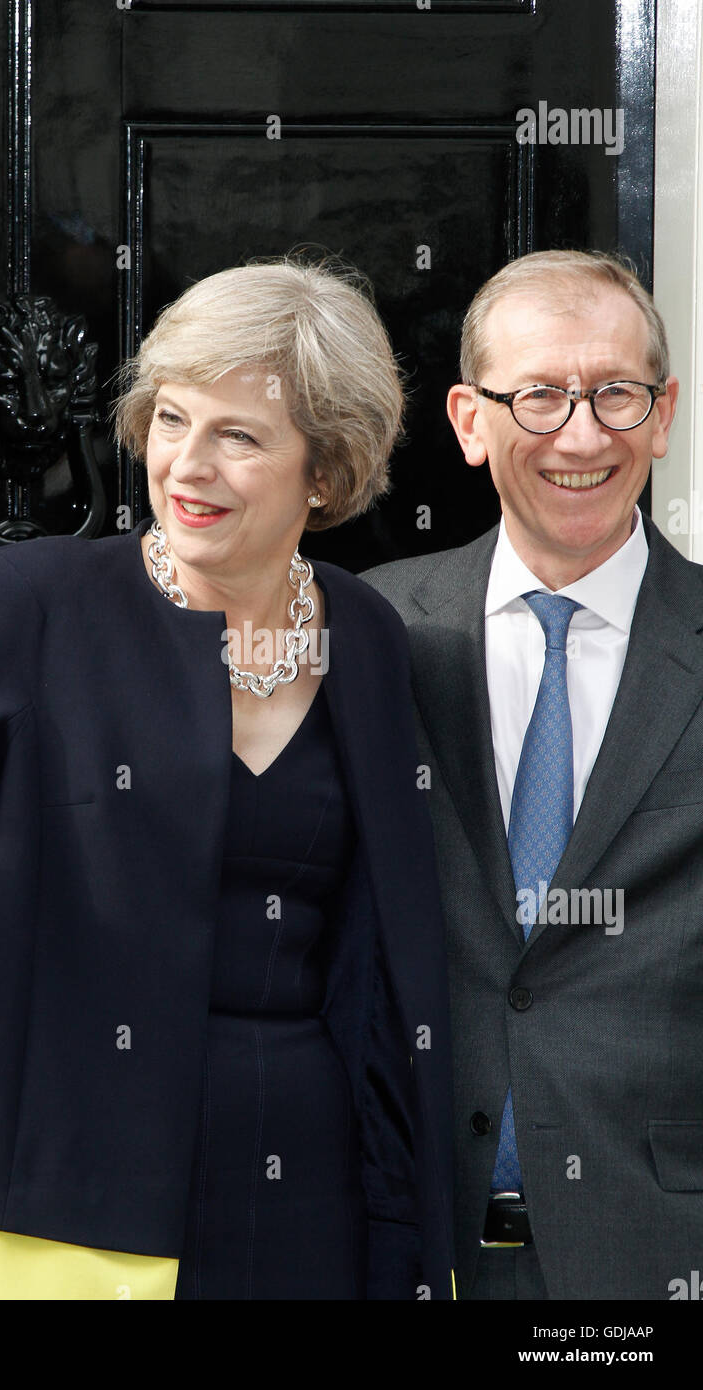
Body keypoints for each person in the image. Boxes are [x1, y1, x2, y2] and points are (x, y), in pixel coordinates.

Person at [0, 258, 455, 1300]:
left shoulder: (366, 632)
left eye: (239, 436)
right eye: (172, 418)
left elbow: (389, 924)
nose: (187, 465)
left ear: (325, 468)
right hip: (57, 1187)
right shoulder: (33, 601)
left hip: (309, 1186)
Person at [364, 249, 697, 1299]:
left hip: (655, 1256)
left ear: (663, 412)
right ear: (468, 420)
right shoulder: (369, 636)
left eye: (614, 393)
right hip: (404, 1241)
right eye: (540, 395)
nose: (582, 433)